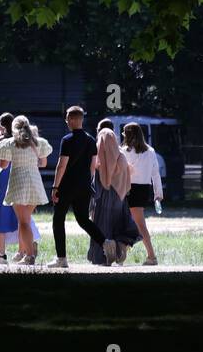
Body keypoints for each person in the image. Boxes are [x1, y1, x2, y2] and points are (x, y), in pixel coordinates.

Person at [0, 112, 40, 263]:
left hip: (4, 181)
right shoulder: (26, 142)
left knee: (2, 216)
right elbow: (41, 162)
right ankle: (23, 250)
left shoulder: (6, 142)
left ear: (3, 127)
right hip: (24, 180)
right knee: (22, 218)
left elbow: (0, 167)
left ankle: (5, 253)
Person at [47, 106, 108, 269]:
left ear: (74, 120)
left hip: (67, 186)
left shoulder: (67, 140)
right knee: (83, 219)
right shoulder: (90, 140)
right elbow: (93, 165)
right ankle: (106, 242)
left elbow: (61, 165)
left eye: (68, 118)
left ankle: (62, 258)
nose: (66, 121)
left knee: (58, 219)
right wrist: (88, 182)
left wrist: (55, 187)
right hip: (84, 186)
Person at [0, 115, 51, 265]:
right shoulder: (38, 143)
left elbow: (3, 165)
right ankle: (26, 253)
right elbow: (43, 163)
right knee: (26, 221)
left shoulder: (9, 143)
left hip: (17, 182)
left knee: (23, 222)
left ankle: (29, 255)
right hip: (34, 182)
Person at [87, 126, 140, 265]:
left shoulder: (100, 160)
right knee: (119, 226)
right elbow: (128, 179)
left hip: (104, 199)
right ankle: (119, 251)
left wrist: (91, 204)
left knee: (102, 226)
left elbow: (96, 186)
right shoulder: (121, 157)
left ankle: (103, 257)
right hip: (120, 199)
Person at [121, 122, 163, 265]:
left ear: (128, 134)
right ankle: (122, 255)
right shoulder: (151, 151)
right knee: (131, 223)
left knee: (139, 224)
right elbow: (155, 174)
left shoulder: (125, 151)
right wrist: (158, 193)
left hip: (129, 188)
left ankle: (151, 256)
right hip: (144, 189)